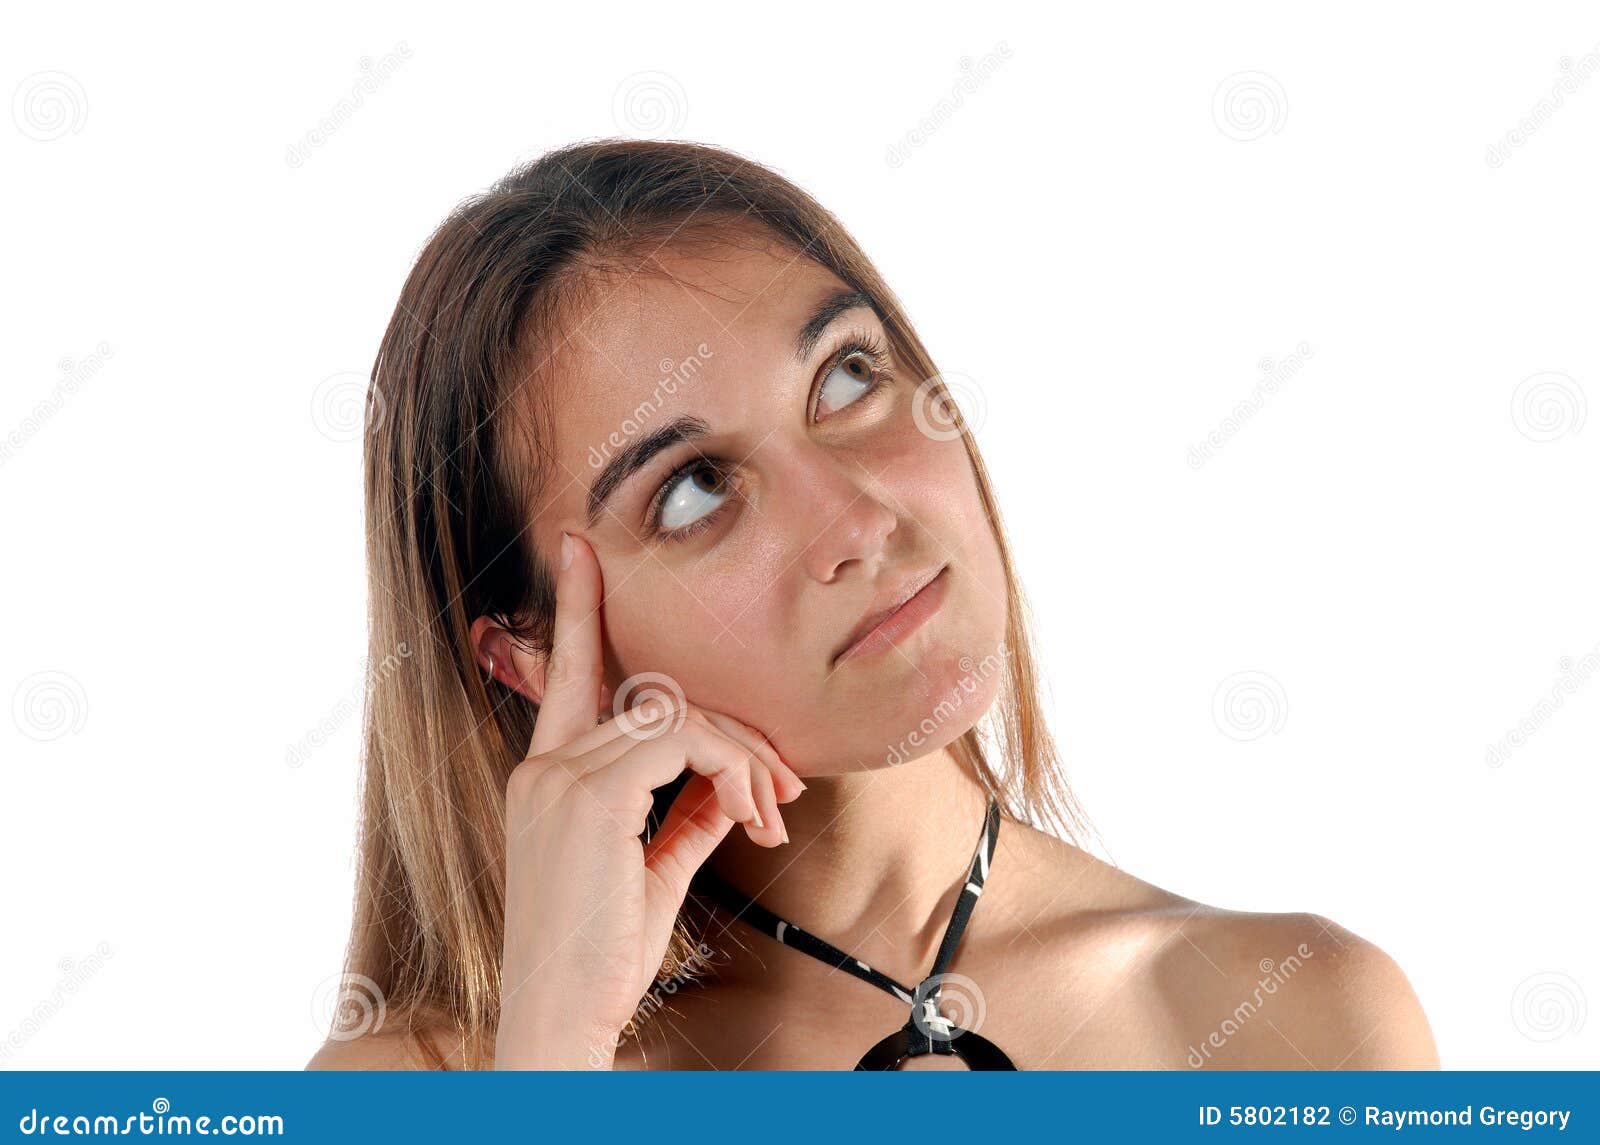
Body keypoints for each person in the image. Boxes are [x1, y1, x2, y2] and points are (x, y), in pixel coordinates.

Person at [306, 138, 1438, 1071]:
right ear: (535, 654)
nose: (858, 521)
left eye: (846, 377)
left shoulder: (1300, 1017)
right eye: (697, 488)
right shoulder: (425, 1085)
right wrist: (553, 1048)